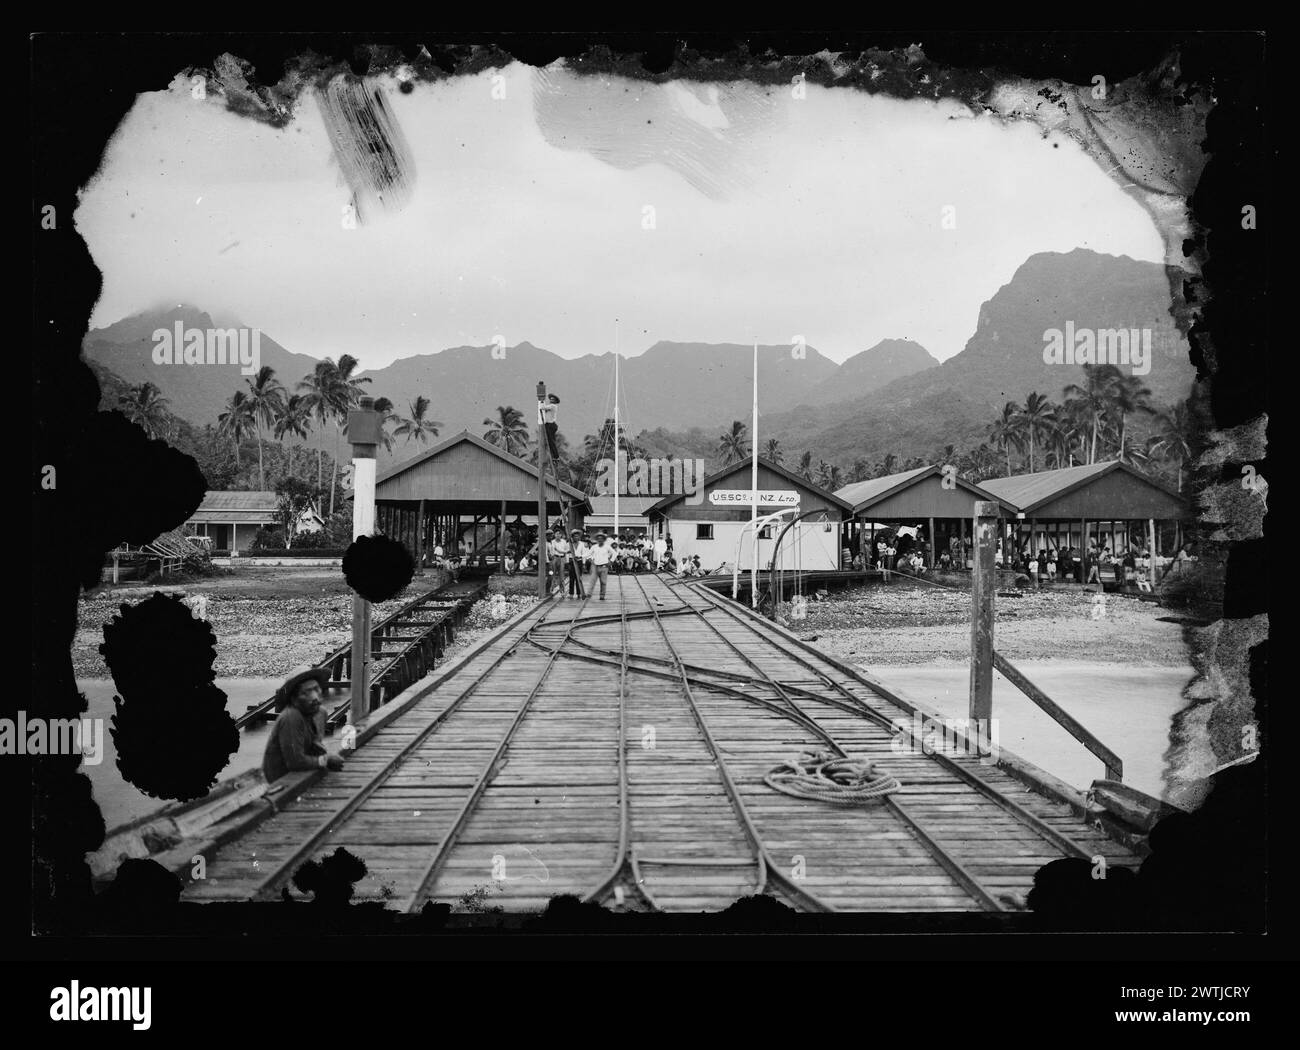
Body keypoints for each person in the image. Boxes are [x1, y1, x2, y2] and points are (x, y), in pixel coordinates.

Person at [262, 666, 345, 783]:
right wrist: (325, 760)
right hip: (282, 781)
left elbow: (315, 746)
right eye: (306, 693)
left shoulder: (320, 713)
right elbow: (295, 762)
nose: (314, 697)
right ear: (294, 698)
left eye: (316, 689)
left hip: (305, 773)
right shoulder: (291, 717)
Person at [590, 531, 613, 599]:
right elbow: (589, 554)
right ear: (597, 539)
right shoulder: (594, 547)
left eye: (601, 538)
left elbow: (614, 554)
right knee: (592, 581)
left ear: (603, 539)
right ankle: (589, 594)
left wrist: (610, 561)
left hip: (604, 567)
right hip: (595, 566)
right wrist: (591, 559)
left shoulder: (607, 547)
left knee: (603, 582)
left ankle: (602, 595)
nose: (600, 540)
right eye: (598, 538)